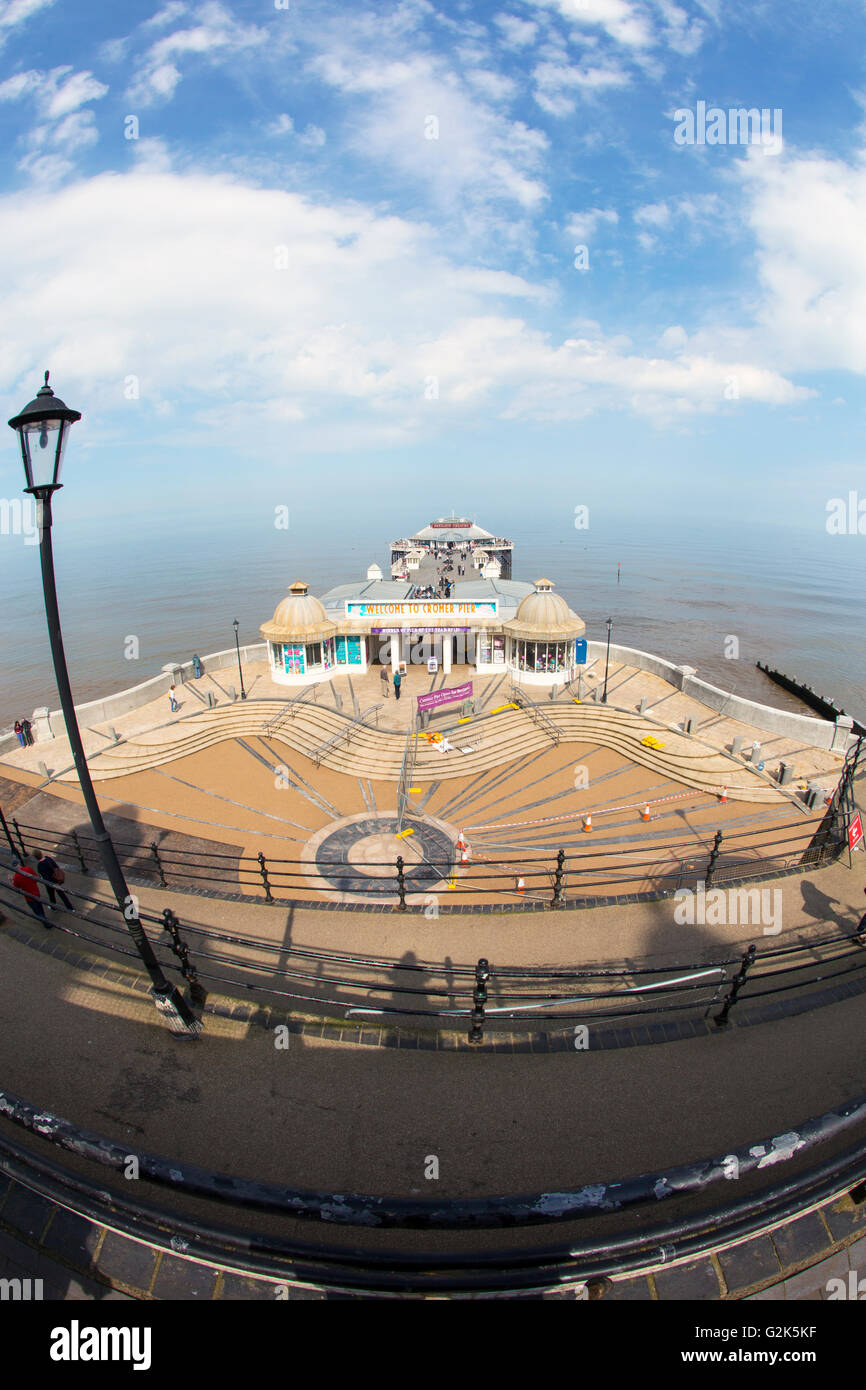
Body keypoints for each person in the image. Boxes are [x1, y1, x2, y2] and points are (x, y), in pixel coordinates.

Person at [11, 858, 49, 926]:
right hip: (36, 892)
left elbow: (16, 887)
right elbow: (36, 878)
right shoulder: (28, 868)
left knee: (36, 910)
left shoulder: (16, 876)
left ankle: (45, 921)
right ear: (19, 863)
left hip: (29, 897)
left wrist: (12, 880)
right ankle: (44, 918)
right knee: (40, 906)